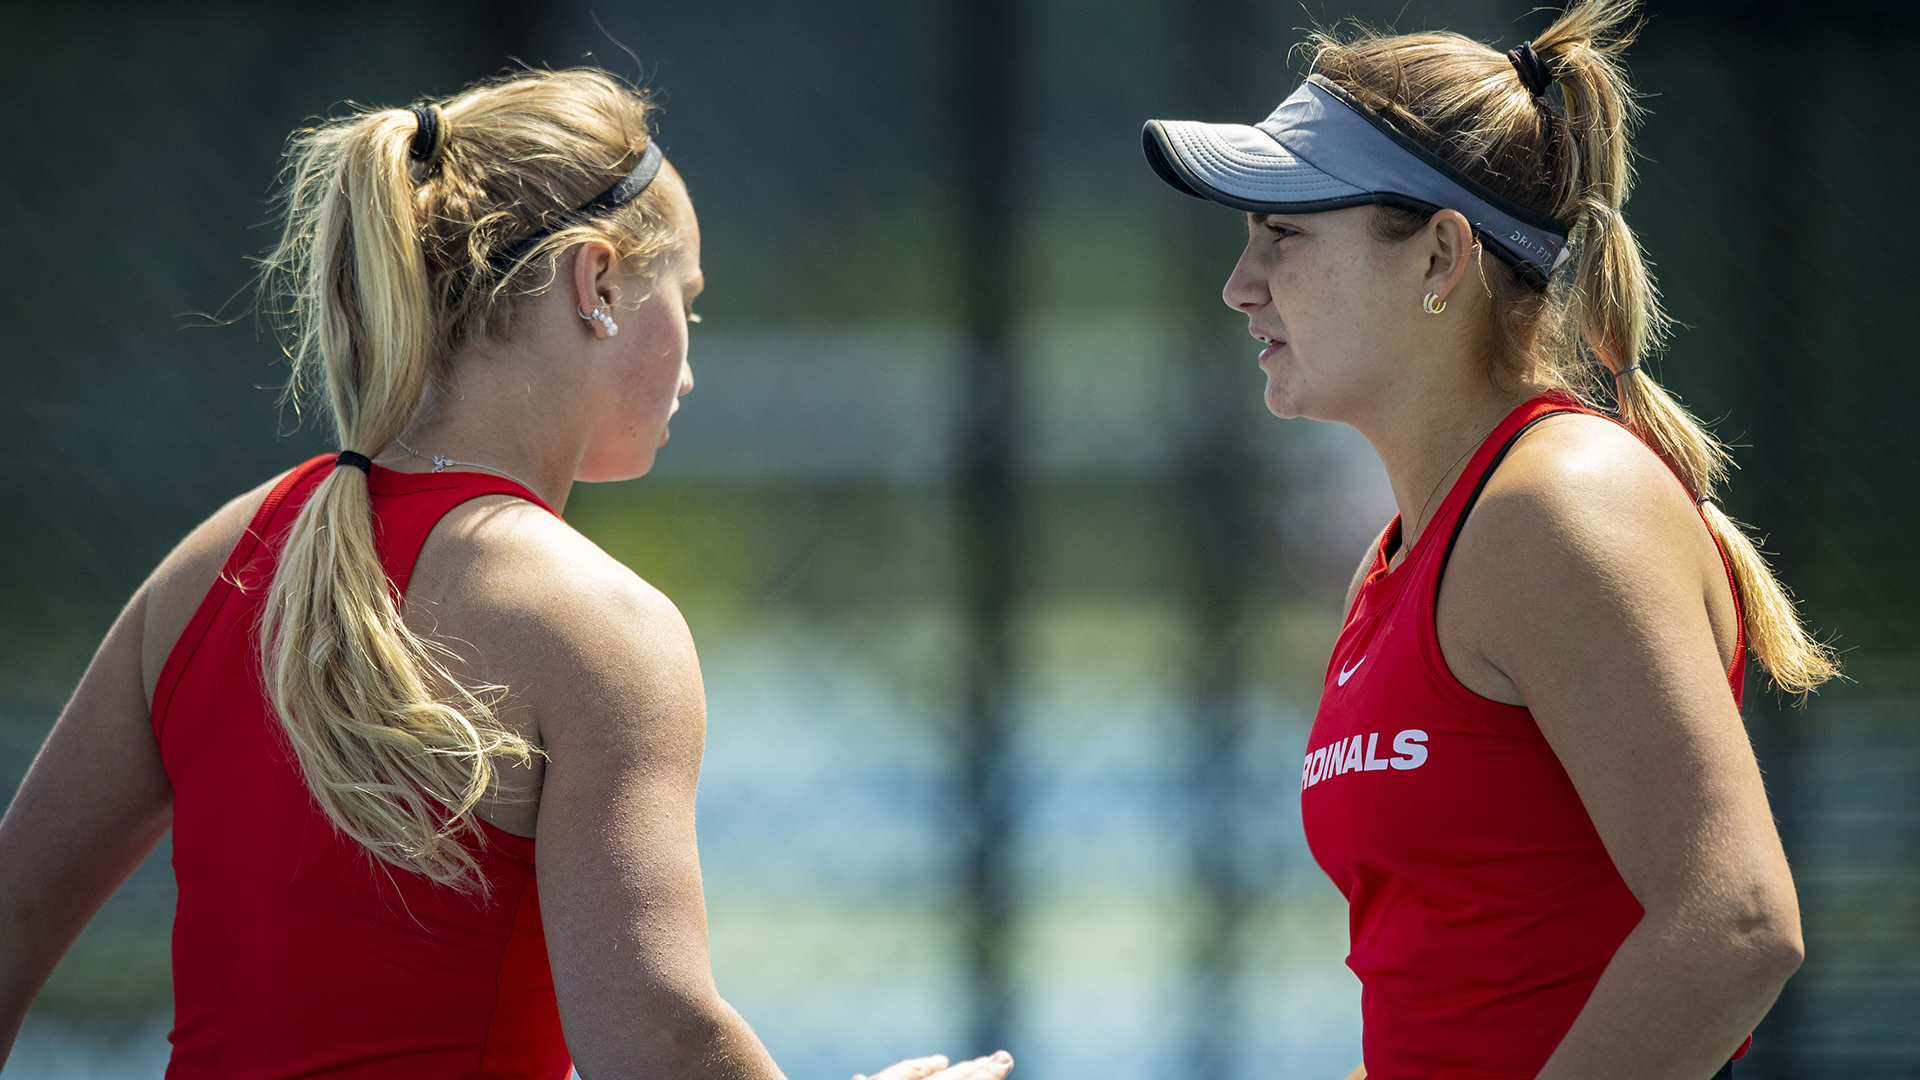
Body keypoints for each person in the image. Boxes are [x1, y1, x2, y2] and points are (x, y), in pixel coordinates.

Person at [0, 68, 1014, 1080]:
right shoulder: (598, 624)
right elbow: (653, 1038)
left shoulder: (213, 560)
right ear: (598, 284)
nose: (692, 360)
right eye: (687, 305)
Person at [1142, 1, 1834, 1077]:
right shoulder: (1409, 555)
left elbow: (1737, 926)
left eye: (1282, 235)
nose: (1240, 286)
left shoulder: (1557, 508)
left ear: (1439, 257)